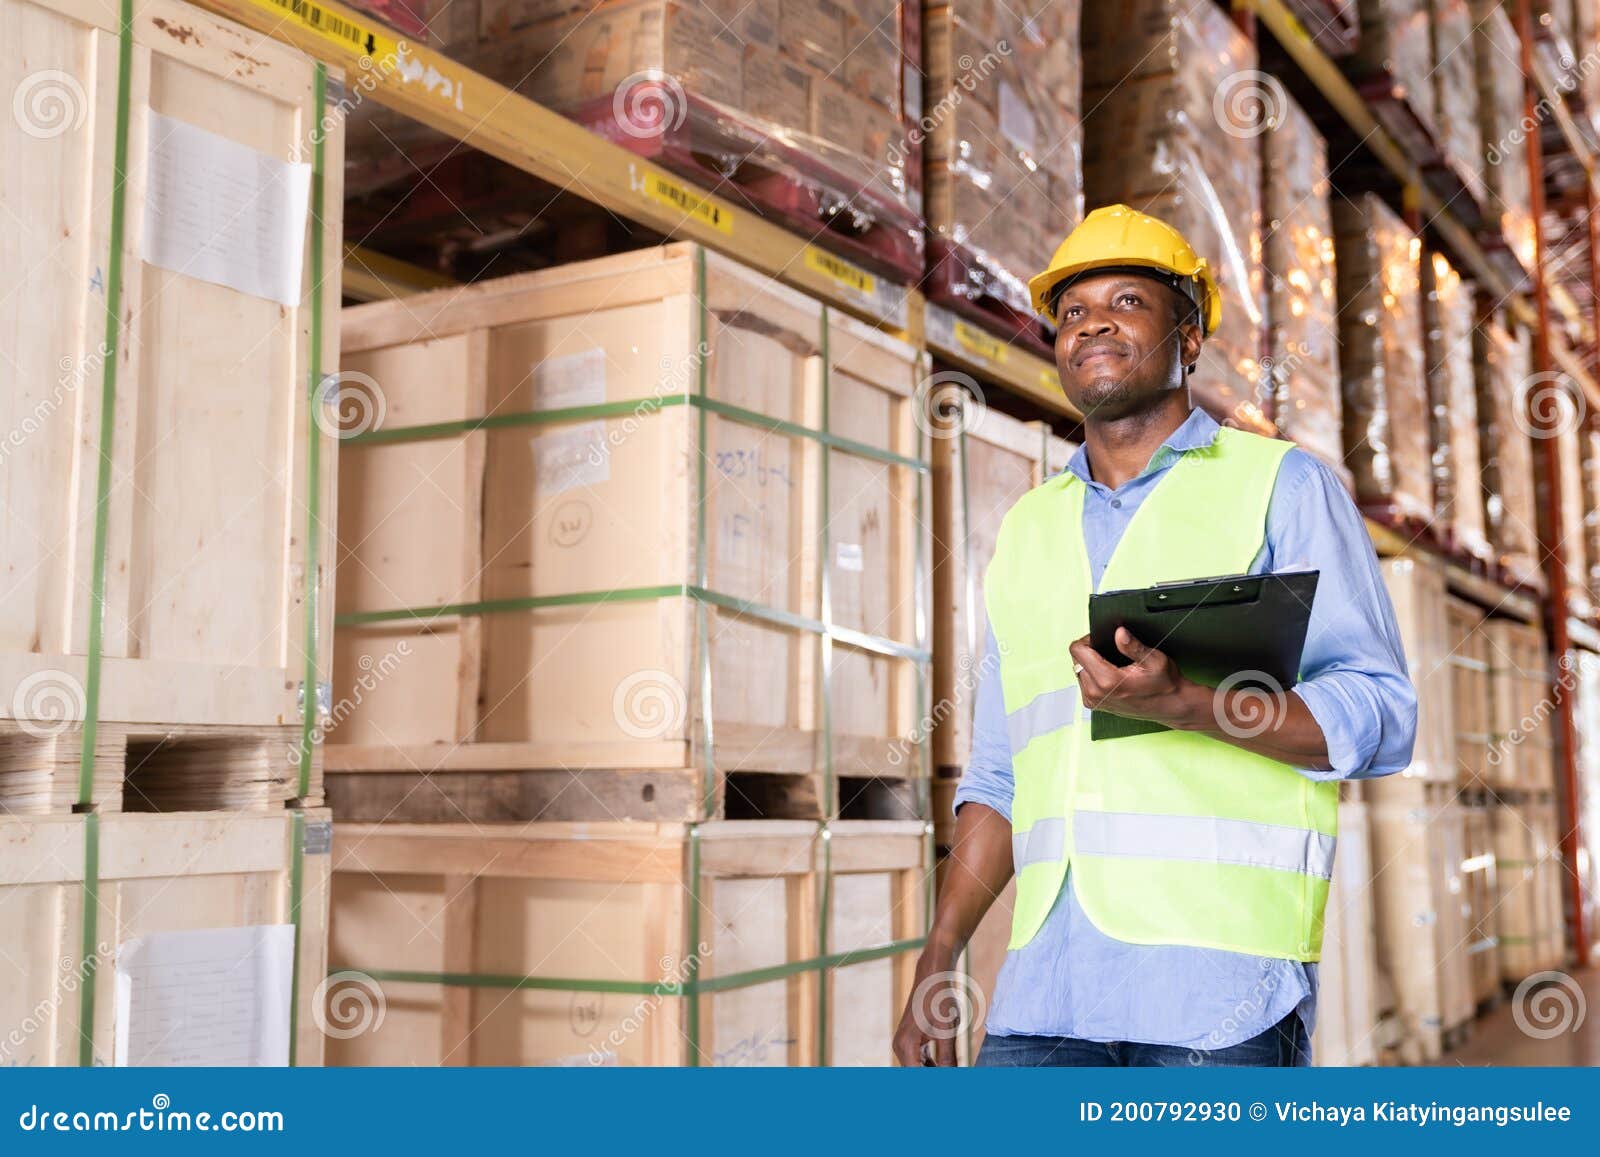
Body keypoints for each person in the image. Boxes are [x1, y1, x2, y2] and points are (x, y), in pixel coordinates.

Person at [894, 204, 1418, 1067]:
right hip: (1046, 989)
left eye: (1127, 300)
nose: (1092, 320)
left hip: (1218, 993)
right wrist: (939, 955)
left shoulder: (1282, 486)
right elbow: (998, 773)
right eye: (1070, 310)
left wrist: (1189, 703)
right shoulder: (1027, 528)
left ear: (1190, 335)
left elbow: (1380, 712)